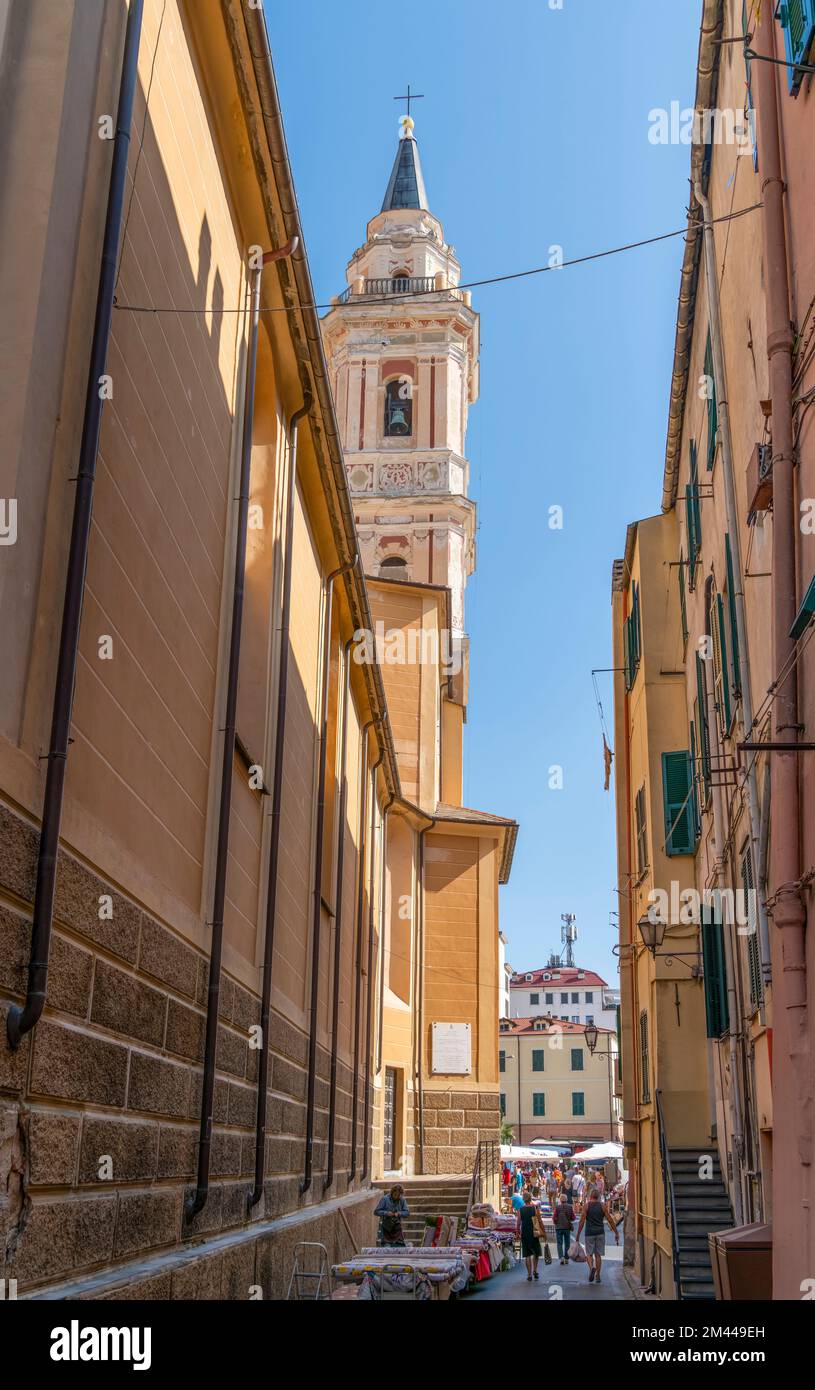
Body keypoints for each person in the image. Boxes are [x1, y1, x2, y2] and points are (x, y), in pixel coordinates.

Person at [576, 1186, 619, 1284]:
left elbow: (582, 1221)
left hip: (589, 1233)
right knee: (598, 1255)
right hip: (600, 1233)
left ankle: (592, 1268)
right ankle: (598, 1276)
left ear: (590, 1196)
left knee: (589, 1254)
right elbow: (610, 1220)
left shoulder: (586, 1206)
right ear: (599, 1197)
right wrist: (616, 1232)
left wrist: (578, 1235)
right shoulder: (602, 1206)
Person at [516, 1192, 542, 1282]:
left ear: (523, 1199)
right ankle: (535, 1270)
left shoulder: (520, 1210)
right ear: (531, 1199)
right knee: (536, 1252)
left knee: (527, 1254)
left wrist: (517, 1233)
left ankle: (529, 1274)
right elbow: (539, 1220)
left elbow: (518, 1223)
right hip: (534, 1232)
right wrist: (543, 1232)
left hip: (525, 1232)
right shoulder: (535, 1208)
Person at [554, 1192, 575, 1264]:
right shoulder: (570, 1207)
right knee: (567, 1243)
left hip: (559, 1227)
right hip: (567, 1227)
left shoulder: (557, 1207)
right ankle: (566, 1258)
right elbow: (573, 1217)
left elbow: (554, 1218)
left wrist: (556, 1222)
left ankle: (561, 1257)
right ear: (566, 1200)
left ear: (560, 1200)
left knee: (559, 1243)